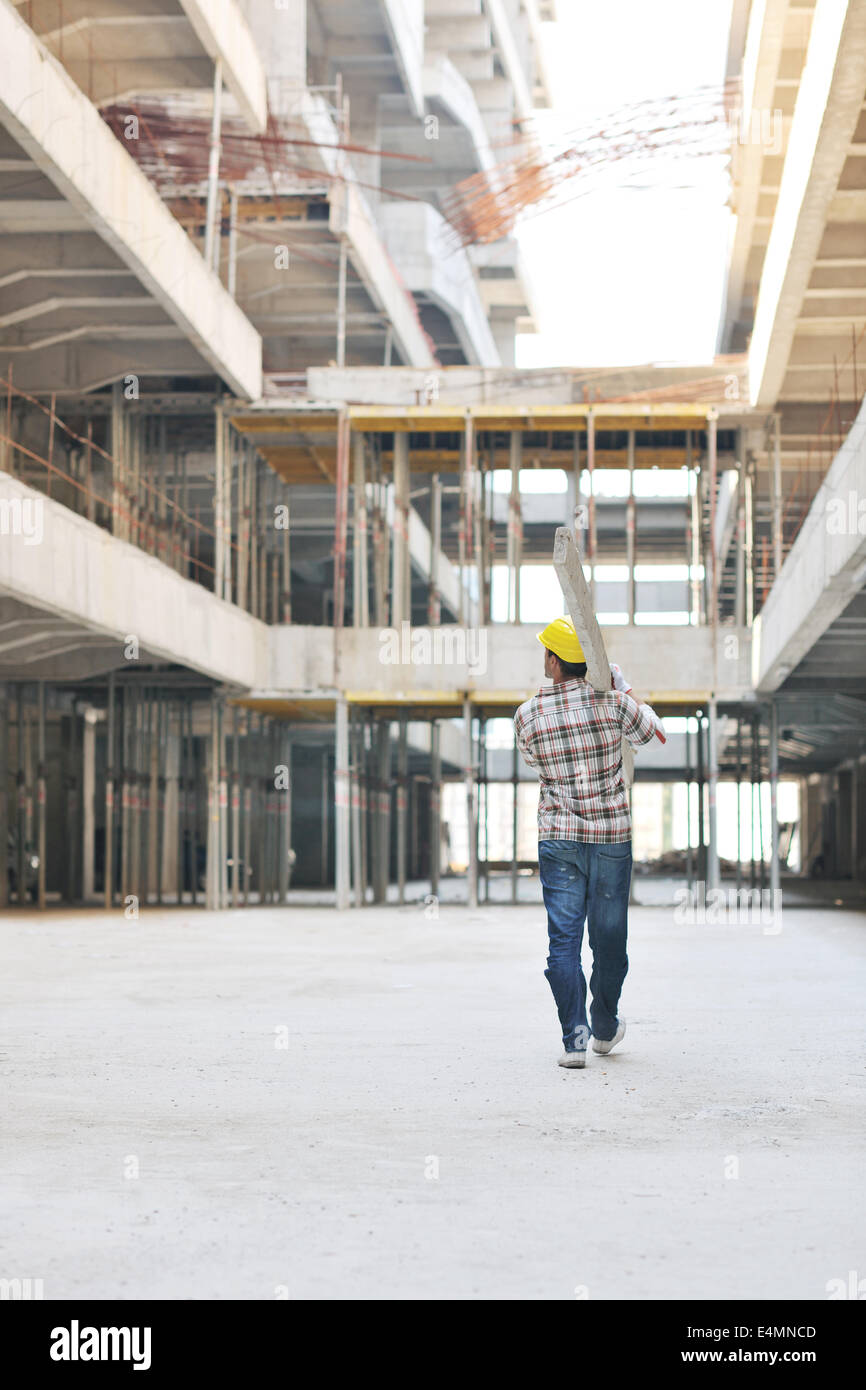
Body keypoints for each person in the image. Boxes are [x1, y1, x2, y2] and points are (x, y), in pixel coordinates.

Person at [514, 617, 663, 1069]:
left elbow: (531, 759)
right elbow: (656, 734)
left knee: (563, 942)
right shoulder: (613, 704)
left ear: (556, 662)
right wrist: (624, 687)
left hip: (558, 838)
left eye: (546, 652)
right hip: (610, 838)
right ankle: (603, 1025)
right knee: (610, 939)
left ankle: (573, 1041)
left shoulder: (527, 715)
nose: (544, 658)